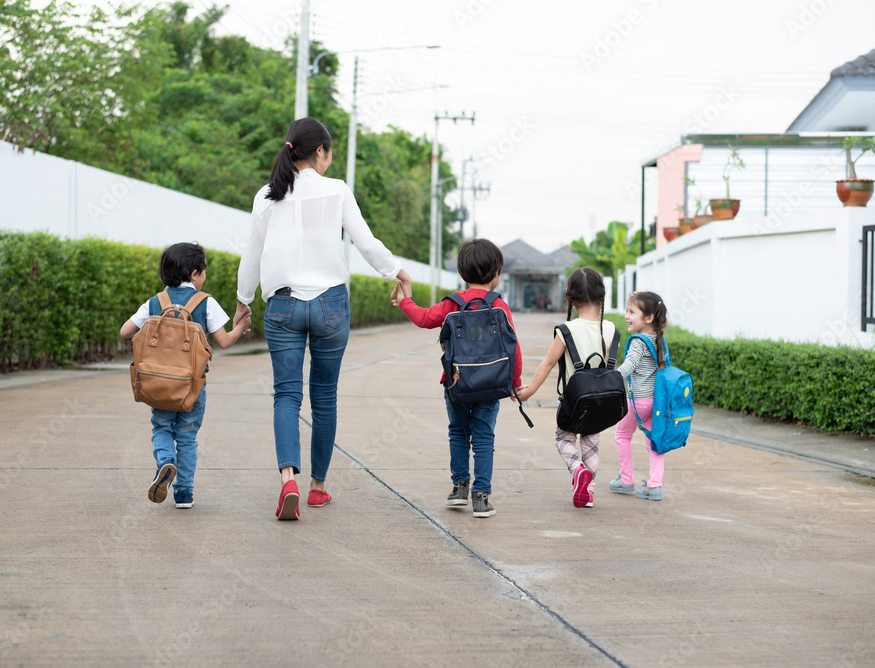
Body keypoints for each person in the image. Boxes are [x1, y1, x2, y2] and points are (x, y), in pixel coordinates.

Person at [235, 117, 412, 521]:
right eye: (329, 155)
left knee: (286, 394)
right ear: (319, 153)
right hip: (331, 304)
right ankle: (317, 489)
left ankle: (288, 483)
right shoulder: (337, 190)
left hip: (283, 306)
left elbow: (252, 254)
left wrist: (244, 301)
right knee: (325, 396)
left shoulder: (267, 195)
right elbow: (364, 240)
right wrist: (395, 272)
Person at [392, 239, 522, 518]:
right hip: (491, 384)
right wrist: (515, 382)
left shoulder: (453, 302)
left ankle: (459, 488)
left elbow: (425, 318)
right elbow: (513, 346)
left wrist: (404, 301)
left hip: (455, 382)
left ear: (463, 273)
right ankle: (481, 496)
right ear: (497, 274)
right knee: (484, 437)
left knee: (458, 432)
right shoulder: (500, 305)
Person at [120, 242, 251, 509]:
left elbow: (125, 332)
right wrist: (241, 327)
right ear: (194, 273)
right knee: (188, 438)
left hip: (158, 384)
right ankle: (184, 494)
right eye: (204, 271)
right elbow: (224, 342)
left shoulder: (156, 302)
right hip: (192, 386)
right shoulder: (206, 302)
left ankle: (166, 461)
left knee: (161, 428)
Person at [517, 267, 614, 508]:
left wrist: (528, 391)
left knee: (564, 438)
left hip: (574, 402)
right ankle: (588, 493)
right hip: (600, 401)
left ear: (570, 298)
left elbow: (548, 363)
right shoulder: (611, 329)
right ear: (603, 295)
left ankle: (577, 469)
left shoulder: (566, 330)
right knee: (591, 444)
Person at [610, 290, 667, 501]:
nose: (627, 316)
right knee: (654, 442)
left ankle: (625, 480)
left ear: (649, 317)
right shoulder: (658, 340)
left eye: (632, 311)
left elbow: (629, 365)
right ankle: (655, 486)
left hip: (637, 402)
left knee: (622, 436)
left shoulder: (638, 341)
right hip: (657, 402)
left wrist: (609, 377)